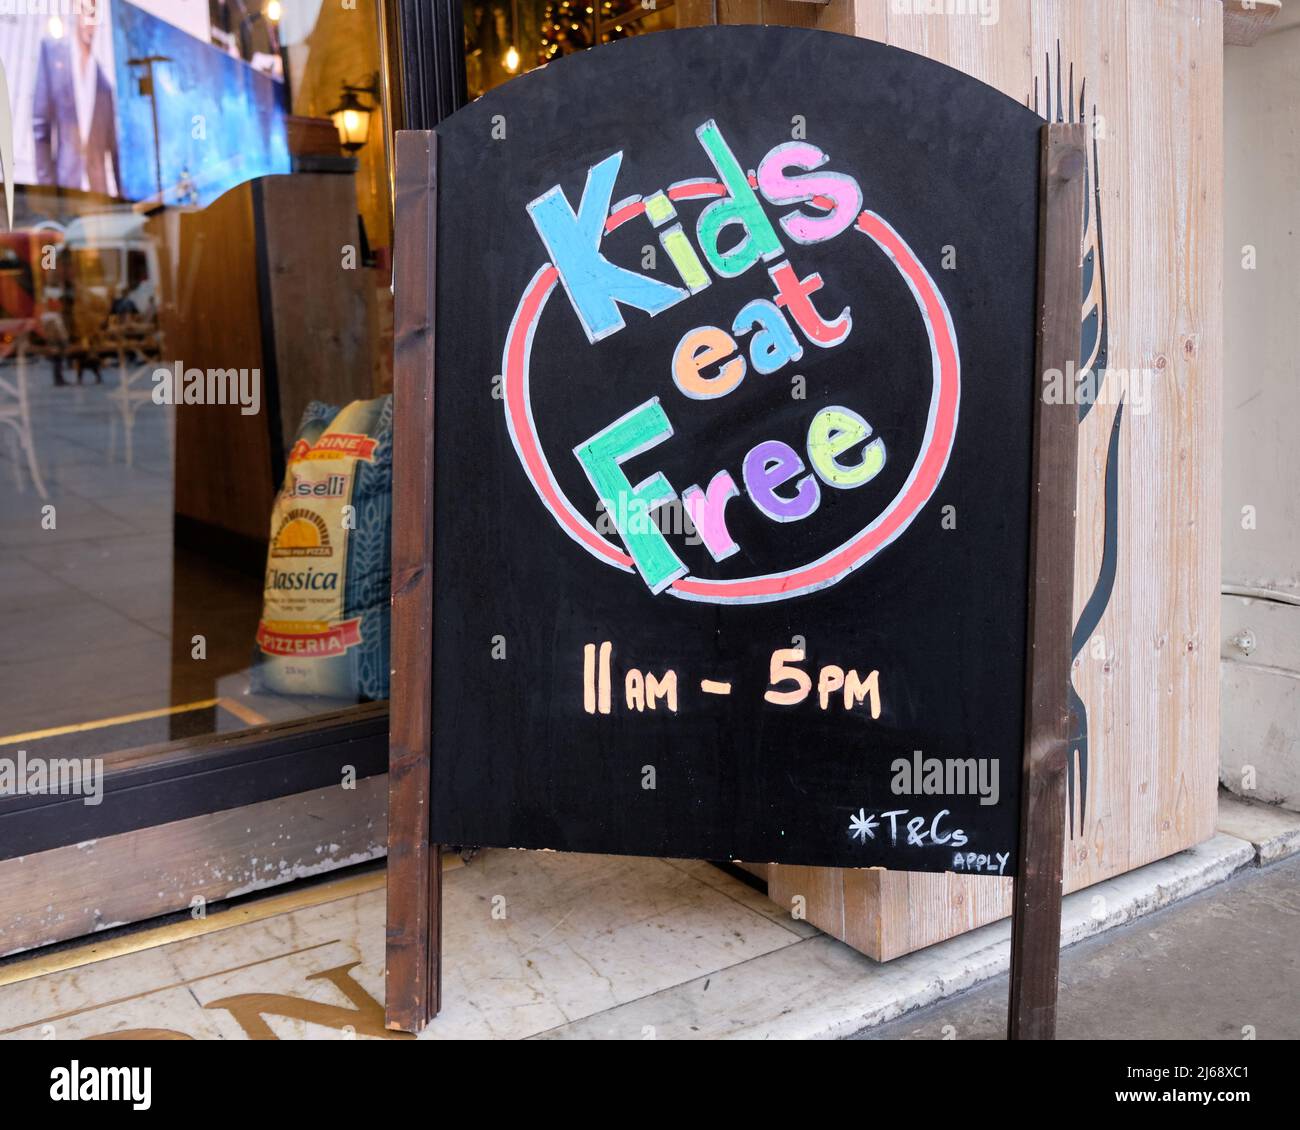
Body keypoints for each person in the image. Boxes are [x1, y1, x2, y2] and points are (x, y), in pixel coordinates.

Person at [32, 3, 121, 196]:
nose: (90, 23)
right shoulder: (52, 54)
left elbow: (114, 150)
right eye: (86, 15)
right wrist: (47, 190)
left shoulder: (104, 85)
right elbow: (41, 128)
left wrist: (124, 202)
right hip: (64, 190)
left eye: (94, 17)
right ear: (76, 14)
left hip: (98, 196)